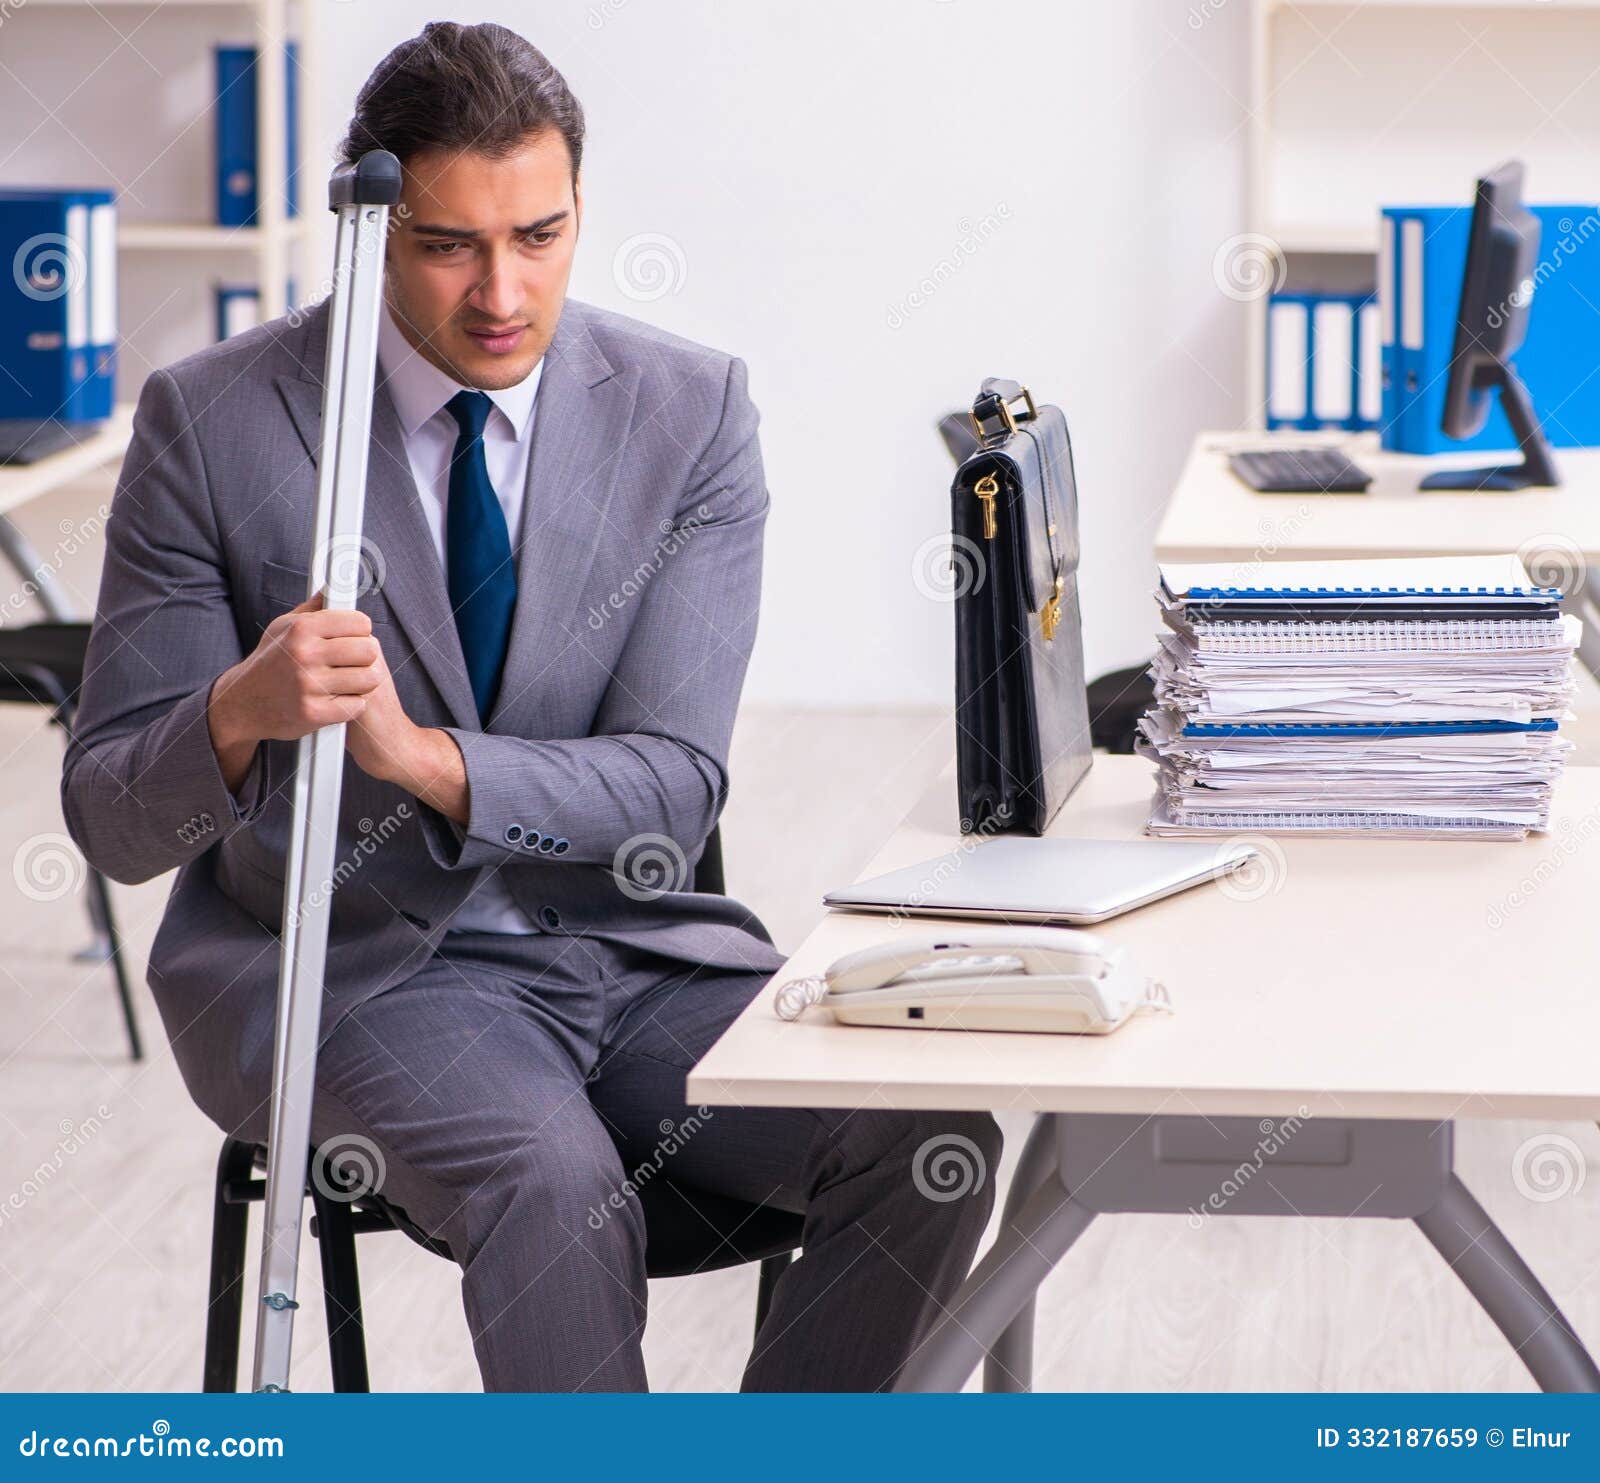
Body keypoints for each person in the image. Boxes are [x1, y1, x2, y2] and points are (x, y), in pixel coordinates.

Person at [61, 21, 999, 1392]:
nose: (503, 291)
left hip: (625, 952)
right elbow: (107, 816)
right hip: (358, 973)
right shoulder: (217, 421)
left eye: (540, 236)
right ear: (374, 230)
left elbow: (675, 785)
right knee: (554, 1189)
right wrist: (239, 711)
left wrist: (426, 759)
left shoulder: (688, 412)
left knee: (929, 1142)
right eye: (449, 245)